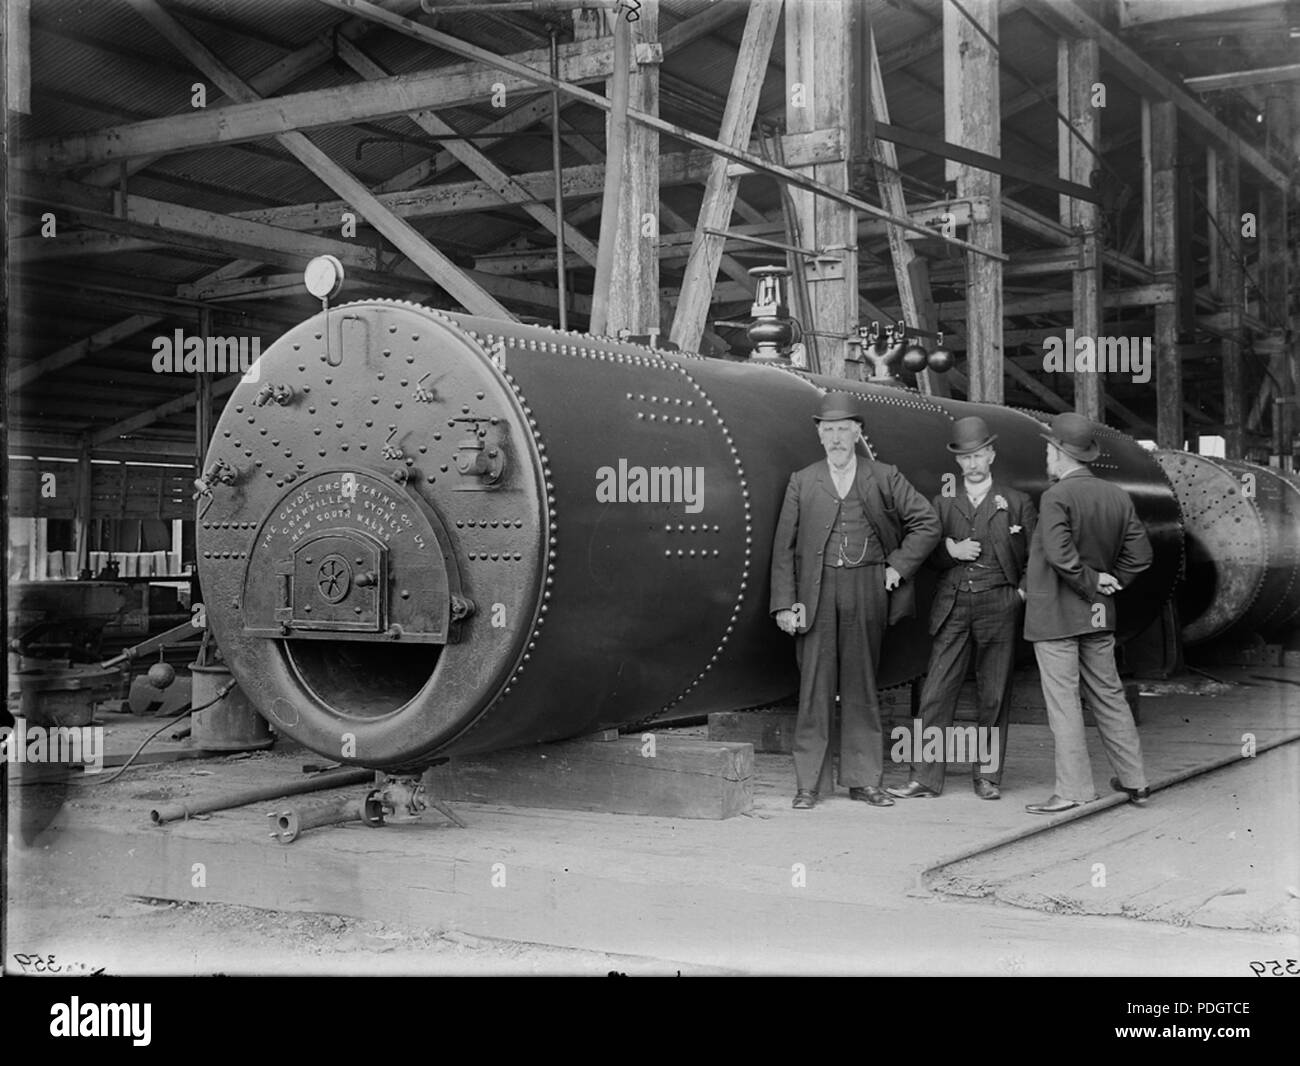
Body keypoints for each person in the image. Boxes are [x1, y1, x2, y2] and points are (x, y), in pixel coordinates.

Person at [770, 392, 940, 809]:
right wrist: (784, 605)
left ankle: (865, 781)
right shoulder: (802, 480)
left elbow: (928, 522)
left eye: (843, 429)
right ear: (819, 434)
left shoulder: (883, 476)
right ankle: (809, 784)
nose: (836, 437)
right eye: (828, 430)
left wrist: (896, 567)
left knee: (861, 685)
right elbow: (784, 549)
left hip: (867, 589)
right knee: (814, 688)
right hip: (815, 593)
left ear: (858, 431)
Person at [888, 416, 1036, 802]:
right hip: (952, 605)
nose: (971, 464)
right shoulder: (943, 503)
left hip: (998, 605)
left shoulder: (1017, 503)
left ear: (991, 454)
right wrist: (948, 551)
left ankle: (987, 777)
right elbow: (926, 551)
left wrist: (1019, 595)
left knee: (994, 695)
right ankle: (924, 778)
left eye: (978, 455)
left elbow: (1037, 559)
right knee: (936, 691)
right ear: (958, 462)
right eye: (964, 458)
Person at [1022, 412, 1153, 814]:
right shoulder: (1115, 495)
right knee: (1109, 695)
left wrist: (1093, 581)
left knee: (1064, 703)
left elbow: (1061, 556)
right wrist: (1111, 582)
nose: (1046, 456)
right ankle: (1135, 781)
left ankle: (1075, 790)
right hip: (1098, 614)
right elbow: (1142, 555)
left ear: (1060, 454)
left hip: (1057, 616)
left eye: (1049, 449)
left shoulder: (1056, 496)